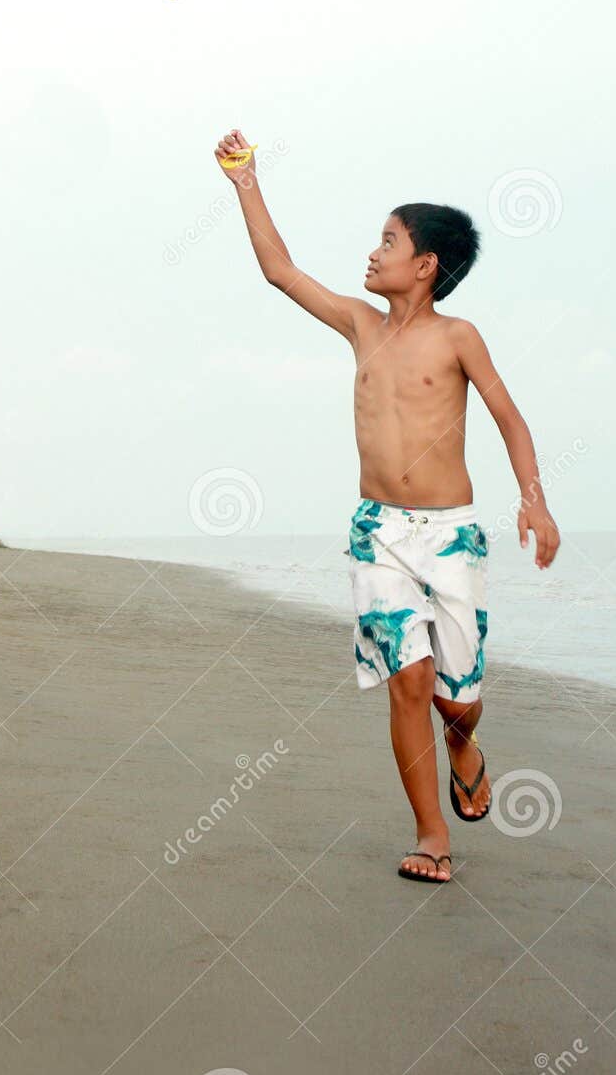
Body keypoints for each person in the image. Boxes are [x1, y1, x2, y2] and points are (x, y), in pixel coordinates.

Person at [214, 129, 561, 884]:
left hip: (450, 536)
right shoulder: (360, 325)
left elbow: (511, 421)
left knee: (455, 698)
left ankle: (463, 740)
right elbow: (280, 271)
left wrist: (533, 503)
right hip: (378, 533)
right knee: (407, 681)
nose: (372, 254)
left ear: (424, 265)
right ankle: (432, 834)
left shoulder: (458, 337)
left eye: (388, 242)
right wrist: (245, 180)